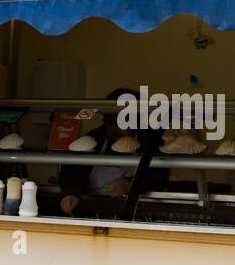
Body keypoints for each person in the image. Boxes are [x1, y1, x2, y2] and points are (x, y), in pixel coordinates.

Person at [59, 87, 164, 215]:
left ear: (137, 120)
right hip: (92, 207)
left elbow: (160, 175)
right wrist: (71, 193)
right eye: (109, 122)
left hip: (136, 210)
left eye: (120, 123)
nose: (113, 128)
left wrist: (128, 183)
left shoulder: (150, 139)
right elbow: (71, 170)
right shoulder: (95, 138)